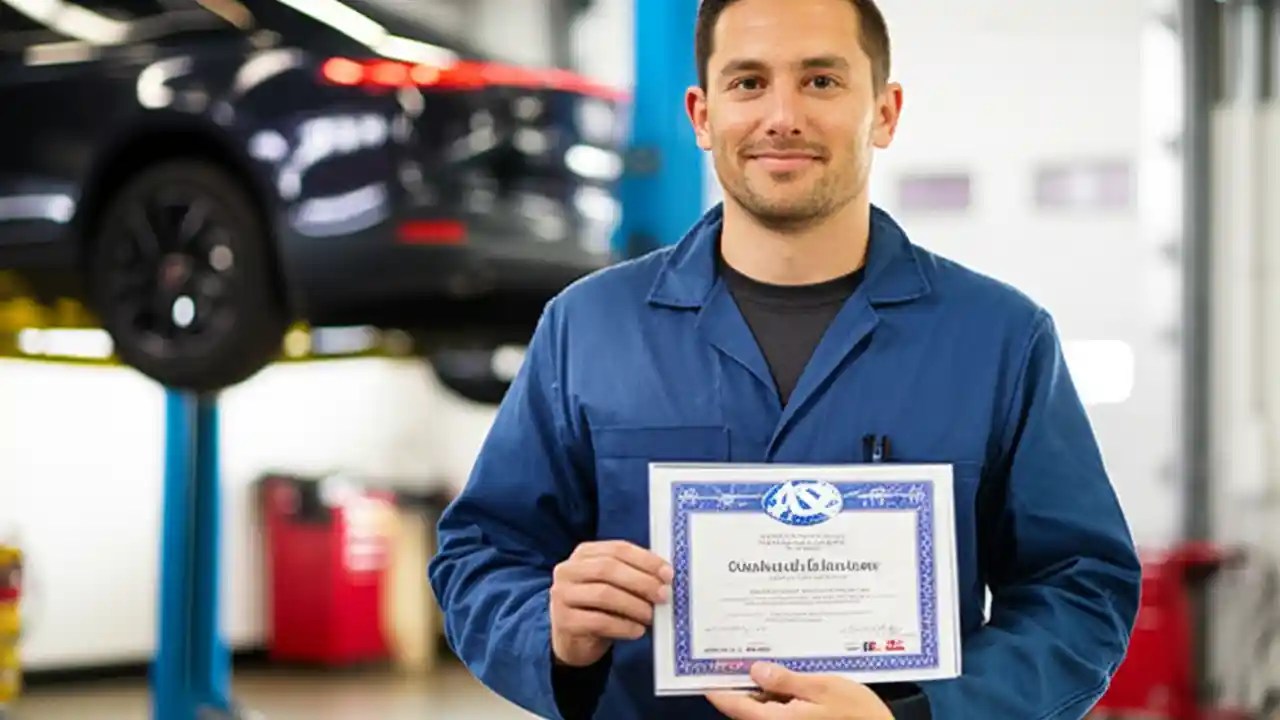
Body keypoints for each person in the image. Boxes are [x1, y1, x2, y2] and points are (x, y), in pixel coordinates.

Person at [428, 0, 1142, 717]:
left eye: (821, 81)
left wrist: (915, 717)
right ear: (702, 116)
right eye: (747, 83)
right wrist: (550, 632)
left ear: (886, 113)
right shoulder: (588, 329)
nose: (782, 116)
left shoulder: (999, 339)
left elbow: (1079, 588)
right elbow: (482, 554)